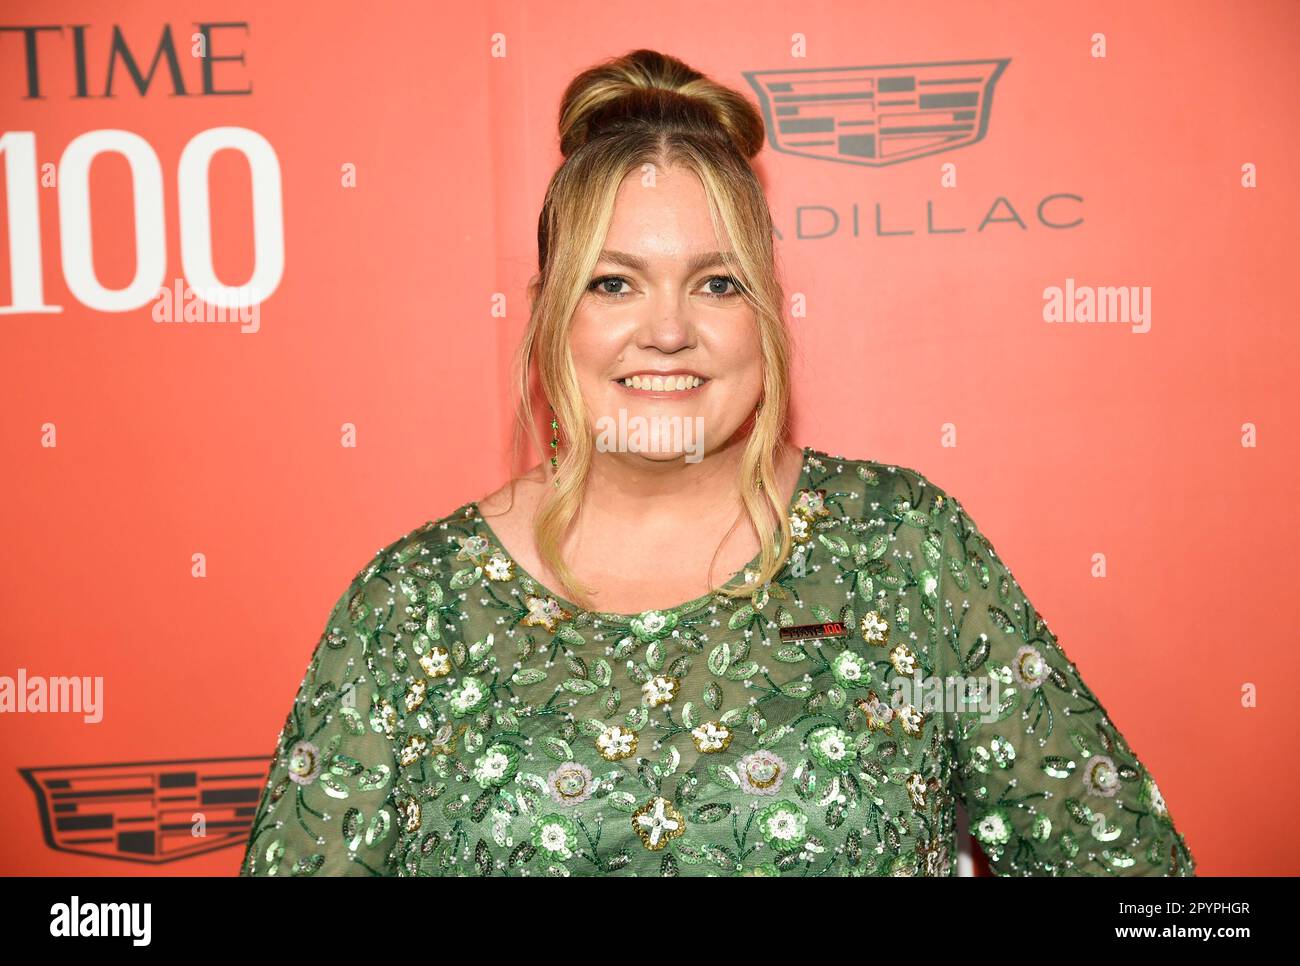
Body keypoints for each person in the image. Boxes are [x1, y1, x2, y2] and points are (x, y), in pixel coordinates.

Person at [240, 49, 1196, 877]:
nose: (667, 331)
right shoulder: (412, 607)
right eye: (613, 283)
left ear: (768, 314)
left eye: (716, 282)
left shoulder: (903, 551)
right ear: (546, 316)